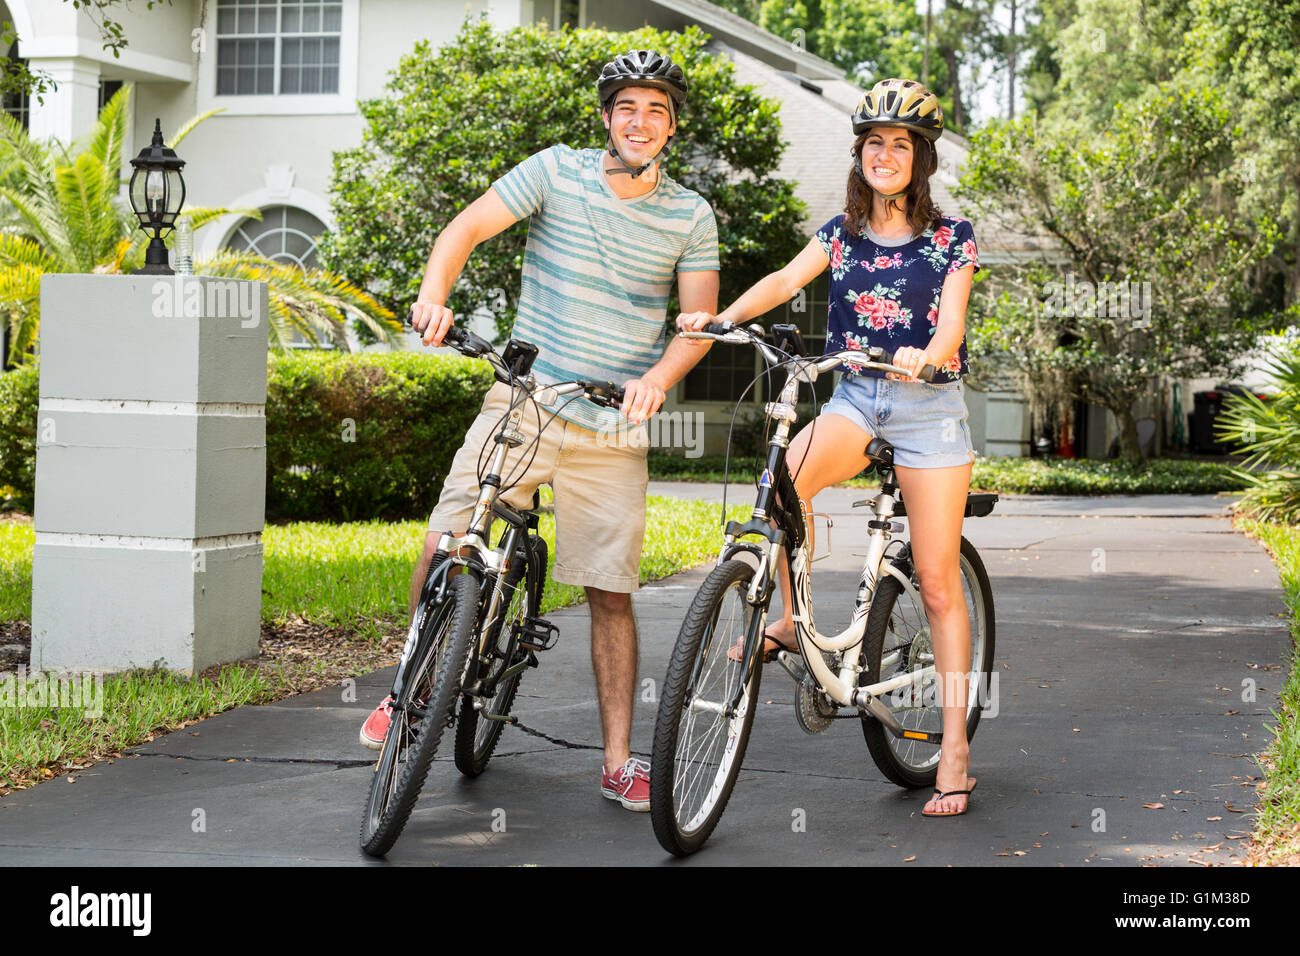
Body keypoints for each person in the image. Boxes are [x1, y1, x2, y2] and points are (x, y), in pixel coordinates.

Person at [358, 50, 721, 813]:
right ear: (606, 117)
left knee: (611, 594)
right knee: (452, 531)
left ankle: (618, 761)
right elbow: (466, 228)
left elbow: (697, 324)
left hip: (613, 424)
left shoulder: (691, 215)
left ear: (672, 125)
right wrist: (433, 298)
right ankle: (409, 688)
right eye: (627, 107)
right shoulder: (556, 170)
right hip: (527, 398)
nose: (640, 122)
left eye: (656, 110)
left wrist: (657, 379)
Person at [677, 78, 981, 817]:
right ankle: (789, 617)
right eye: (873, 143)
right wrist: (721, 317)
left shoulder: (952, 237)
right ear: (859, 154)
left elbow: (951, 324)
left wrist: (930, 355)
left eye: (899, 145)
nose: (884, 155)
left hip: (926, 407)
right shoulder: (840, 234)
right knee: (783, 485)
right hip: (854, 398)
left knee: (938, 583)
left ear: (921, 159)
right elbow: (786, 279)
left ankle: (956, 753)